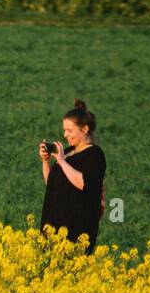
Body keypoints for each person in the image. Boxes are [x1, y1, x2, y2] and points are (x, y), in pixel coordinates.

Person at [39, 99, 107, 254]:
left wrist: (62, 161)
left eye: (69, 131)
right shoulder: (68, 151)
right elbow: (51, 184)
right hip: (52, 228)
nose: (65, 135)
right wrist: (46, 161)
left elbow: (84, 184)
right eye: (64, 130)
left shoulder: (94, 155)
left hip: (76, 231)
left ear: (84, 129)